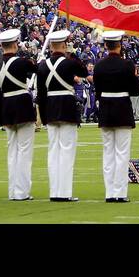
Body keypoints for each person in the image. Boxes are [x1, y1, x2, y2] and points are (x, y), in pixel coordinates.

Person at [36, 28, 88, 202]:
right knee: (67, 150)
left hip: (50, 108)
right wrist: (72, 54)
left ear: (51, 46)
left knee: (53, 151)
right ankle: (64, 192)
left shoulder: (42, 65)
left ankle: (54, 191)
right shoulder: (69, 62)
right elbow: (84, 72)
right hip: (66, 106)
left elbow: (41, 94)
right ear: (65, 45)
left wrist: (43, 117)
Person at [92, 30, 139, 202]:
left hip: (106, 109)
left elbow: (97, 91)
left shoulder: (99, 65)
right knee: (122, 153)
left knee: (108, 153)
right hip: (122, 110)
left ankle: (109, 192)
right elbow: (136, 90)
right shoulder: (127, 65)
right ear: (120, 45)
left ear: (106, 45)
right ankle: (120, 192)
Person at [0, 28, 36, 201]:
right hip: (22, 105)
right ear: (16, 44)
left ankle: (13, 190)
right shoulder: (22, 61)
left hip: (6, 106)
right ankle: (22, 191)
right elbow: (35, 69)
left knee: (12, 151)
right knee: (24, 151)